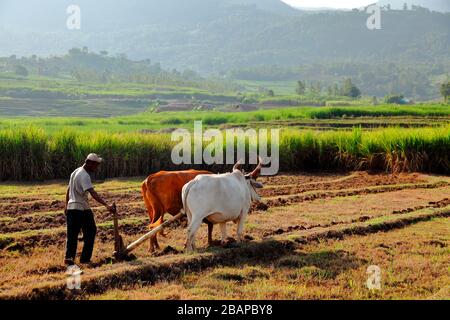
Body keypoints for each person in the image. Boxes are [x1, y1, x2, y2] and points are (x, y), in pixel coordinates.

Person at [64, 153, 116, 266]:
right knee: (91, 231)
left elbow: (68, 190)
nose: (96, 168)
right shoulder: (84, 175)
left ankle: (69, 258)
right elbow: (93, 193)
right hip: (82, 208)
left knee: (72, 235)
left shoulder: (75, 171)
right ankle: (85, 259)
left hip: (71, 208)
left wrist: (66, 205)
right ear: (89, 163)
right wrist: (107, 205)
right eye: (96, 165)